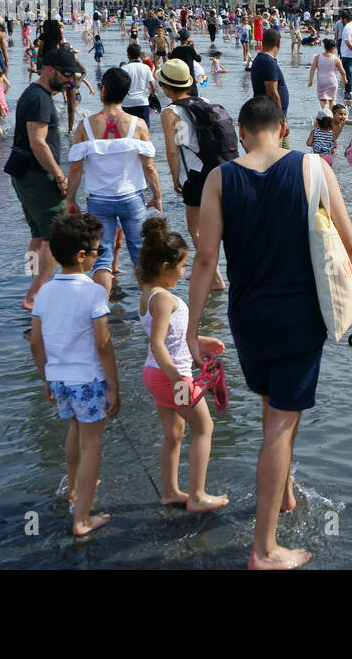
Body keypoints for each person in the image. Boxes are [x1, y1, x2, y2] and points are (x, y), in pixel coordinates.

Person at [184, 96, 352, 568]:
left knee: (271, 403)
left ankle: (285, 490)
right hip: (299, 319)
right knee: (279, 426)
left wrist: (191, 331)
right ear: (285, 129)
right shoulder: (312, 168)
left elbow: (206, 260)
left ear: (243, 131)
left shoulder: (219, 177)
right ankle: (265, 549)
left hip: (247, 317)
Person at [25, 212, 119, 536]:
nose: (97, 256)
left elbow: (36, 343)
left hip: (59, 379)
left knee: (75, 429)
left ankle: (75, 489)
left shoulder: (45, 291)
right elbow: (104, 345)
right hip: (88, 381)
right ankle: (82, 519)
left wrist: (47, 379)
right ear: (82, 256)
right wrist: (115, 389)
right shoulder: (94, 292)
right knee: (93, 444)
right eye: (96, 251)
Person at [137, 215, 229, 513]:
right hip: (171, 375)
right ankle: (198, 495)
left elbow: (169, 336)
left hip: (154, 373)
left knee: (173, 433)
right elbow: (158, 343)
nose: (183, 272)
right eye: (182, 266)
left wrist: (201, 340)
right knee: (205, 428)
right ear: (165, 268)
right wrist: (177, 377)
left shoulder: (148, 295)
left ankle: (170, 491)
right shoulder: (164, 299)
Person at [65, 66, 162, 300]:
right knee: (140, 254)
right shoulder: (138, 124)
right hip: (131, 197)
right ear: (126, 93)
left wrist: (70, 200)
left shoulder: (85, 126)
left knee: (102, 256)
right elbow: (149, 166)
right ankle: (150, 313)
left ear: (103, 90)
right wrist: (157, 195)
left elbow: (76, 168)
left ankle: (101, 315)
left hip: (99, 199)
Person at [9, 47, 84, 309]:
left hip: (23, 173)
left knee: (38, 234)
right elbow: (38, 143)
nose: (70, 81)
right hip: (38, 175)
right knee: (57, 235)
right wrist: (60, 176)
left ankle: (32, 278)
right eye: (66, 75)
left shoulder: (33, 93)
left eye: (73, 76)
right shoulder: (40, 99)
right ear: (49, 69)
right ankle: (34, 294)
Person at [158, 59, 227, 292]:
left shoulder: (169, 112)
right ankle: (208, 270)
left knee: (195, 229)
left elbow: (172, 149)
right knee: (218, 226)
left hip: (195, 175)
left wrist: (175, 178)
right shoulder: (203, 101)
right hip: (217, 169)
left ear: (166, 87)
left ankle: (216, 279)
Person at [250, 29, 289, 117]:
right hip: (270, 116)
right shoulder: (268, 62)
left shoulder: (260, 59)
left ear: (262, 42)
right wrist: (281, 119)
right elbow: (272, 94)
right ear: (278, 44)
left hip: (263, 111)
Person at [120, 44, 157, 128]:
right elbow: (153, 86)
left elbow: (120, 88)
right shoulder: (146, 68)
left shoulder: (123, 69)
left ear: (128, 55)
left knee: (128, 130)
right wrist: (151, 95)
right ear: (139, 55)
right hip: (142, 102)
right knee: (144, 130)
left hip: (127, 103)